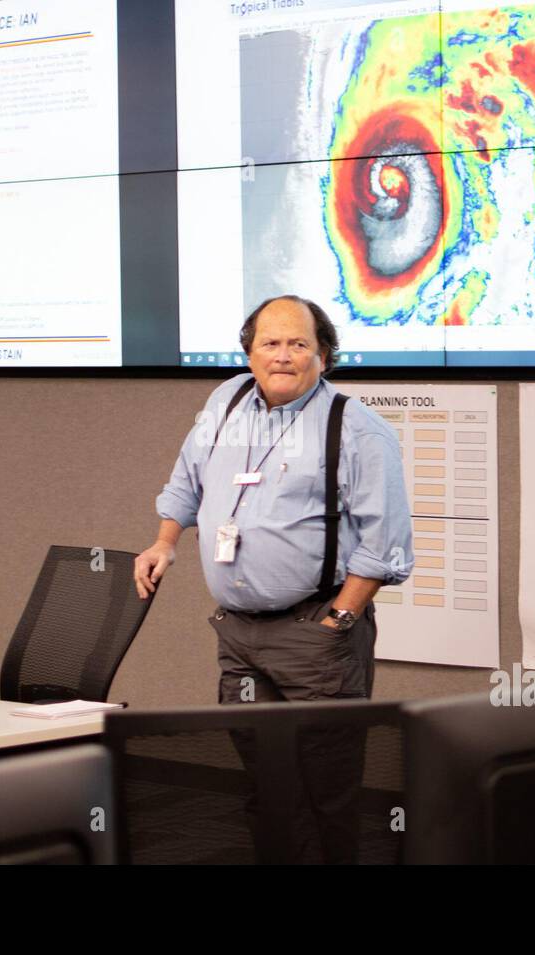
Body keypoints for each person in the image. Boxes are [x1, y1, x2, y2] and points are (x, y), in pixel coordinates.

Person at [135, 294, 414, 861]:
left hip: (315, 636)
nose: (282, 355)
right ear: (249, 351)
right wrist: (165, 540)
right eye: (269, 343)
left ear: (325, 356)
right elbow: (187, 480)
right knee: (264, 784)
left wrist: (339, 619)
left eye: (297, 344)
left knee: (326, 789)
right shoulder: (226, 400)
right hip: (238, 636)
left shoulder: (358, 429)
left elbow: (385, 544)